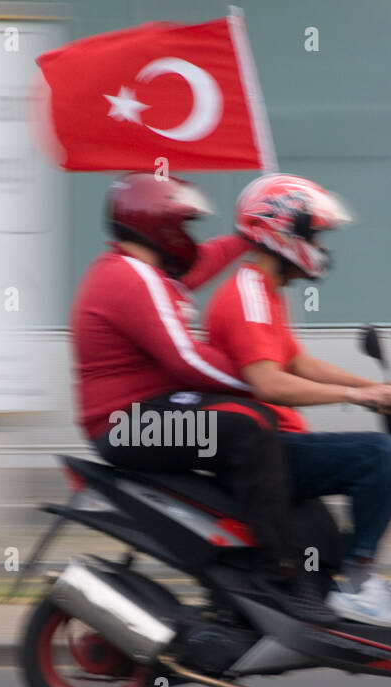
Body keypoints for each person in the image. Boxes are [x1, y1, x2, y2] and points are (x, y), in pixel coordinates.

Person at [70, 172, 337, 624]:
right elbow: (187, 362)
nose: (190, 237)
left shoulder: (142, 272)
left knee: (253, 420)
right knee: (249, 424)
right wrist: (261, 381)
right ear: (160, 226)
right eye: (185, 226)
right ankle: (278, 570)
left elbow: (203, 263)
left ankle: (243, 555)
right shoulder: (132, 278)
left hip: (149, 416)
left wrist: (253, 233)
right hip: (130, 425)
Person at [203, 173, 391, 626]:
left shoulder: (264, 293)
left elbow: (297, 362)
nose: (319, 247)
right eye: (313, 235)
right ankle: (358, 583)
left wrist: (377, 391)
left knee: (386, 462)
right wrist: (357, 394)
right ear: (282, 233)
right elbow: (270, 384)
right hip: (265, 453)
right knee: (381, 454)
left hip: (273, 444)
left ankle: (350, 574)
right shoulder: (248, 296)